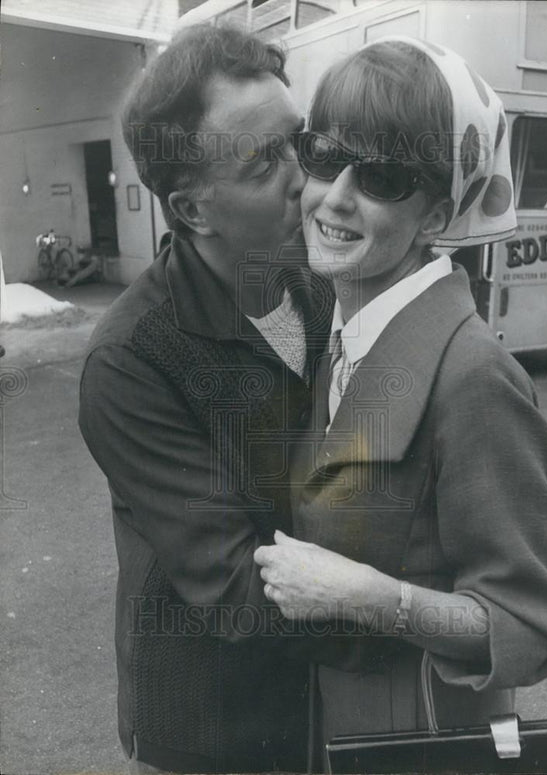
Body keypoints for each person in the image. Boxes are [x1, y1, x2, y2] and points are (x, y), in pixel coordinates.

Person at [254, 36, 547, 759]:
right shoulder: (341, 328)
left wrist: (367, 594)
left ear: (435, 217)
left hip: (426, 741)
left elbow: (527, 627)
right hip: (336, 727)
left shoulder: (471, 374)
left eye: (383, 178)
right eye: (326, 156)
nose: (335, 196)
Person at [78, 23, 333, 774]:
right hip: (211, 726)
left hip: (322, 695)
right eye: (264, 163)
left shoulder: (317, 282)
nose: (305, 181)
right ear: (192, 211)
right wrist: (415, 599)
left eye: (302, 143)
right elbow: (237, 595)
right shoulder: (129, 361)